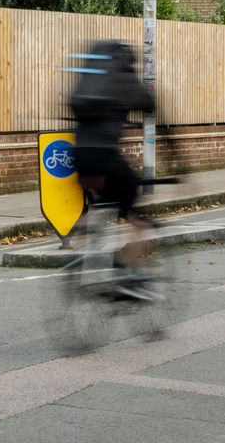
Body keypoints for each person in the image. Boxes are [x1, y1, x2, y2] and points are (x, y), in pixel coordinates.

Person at [68, 38, 157, 298]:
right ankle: (131, 276)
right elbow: (155, 113)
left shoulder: (87, 81)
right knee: (137, 218)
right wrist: (182, 168)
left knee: (99, 201)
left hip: (80, 159)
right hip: (105, 159)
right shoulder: (124, 79)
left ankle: (86, 240)